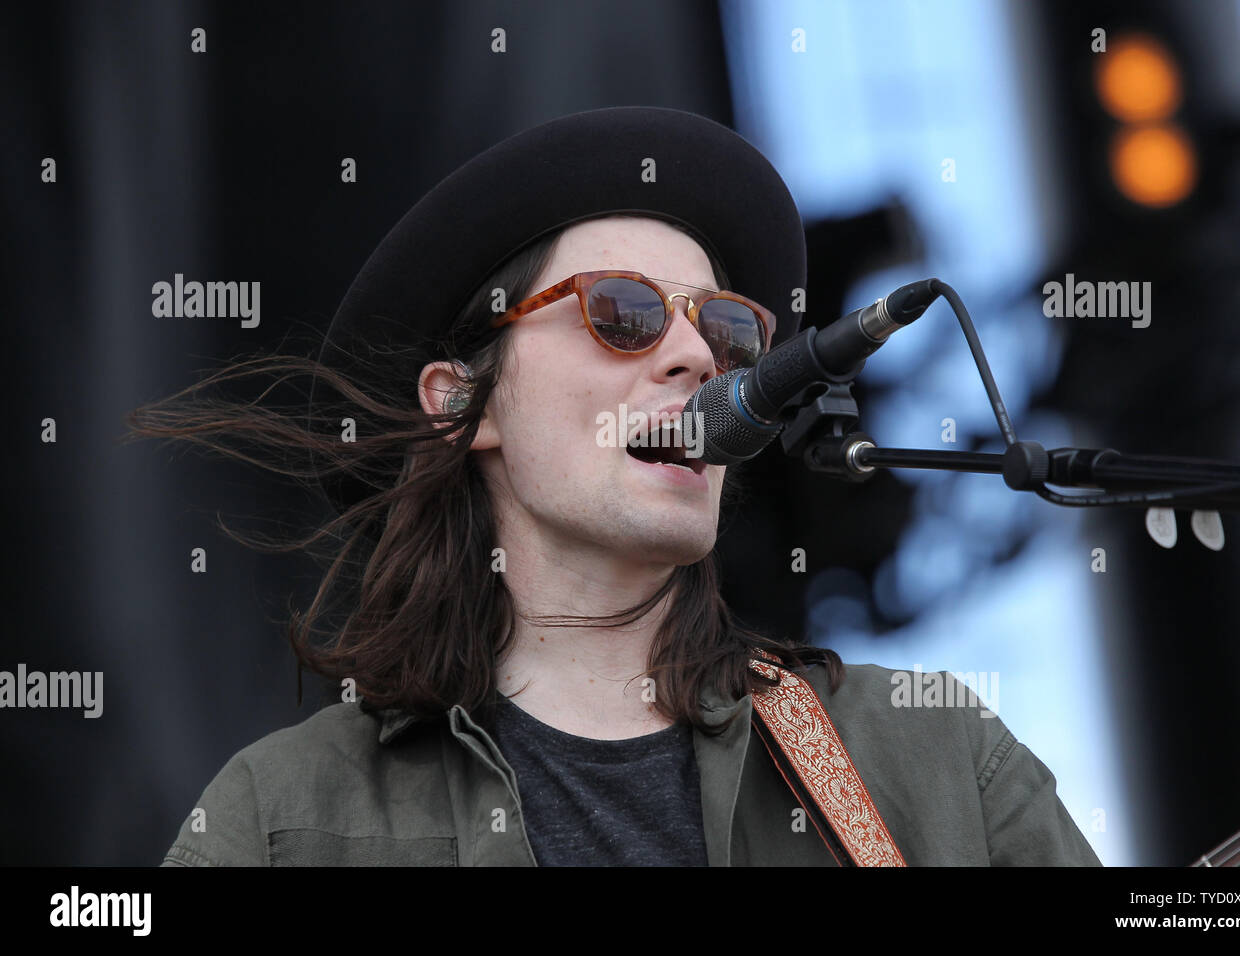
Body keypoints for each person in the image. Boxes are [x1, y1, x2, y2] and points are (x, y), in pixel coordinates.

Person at [139, 106, 1100, 866]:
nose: (694, 354)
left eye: (726, 331)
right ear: (465, 407)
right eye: (622, 312)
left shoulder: (931, 760)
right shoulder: (281, 822)